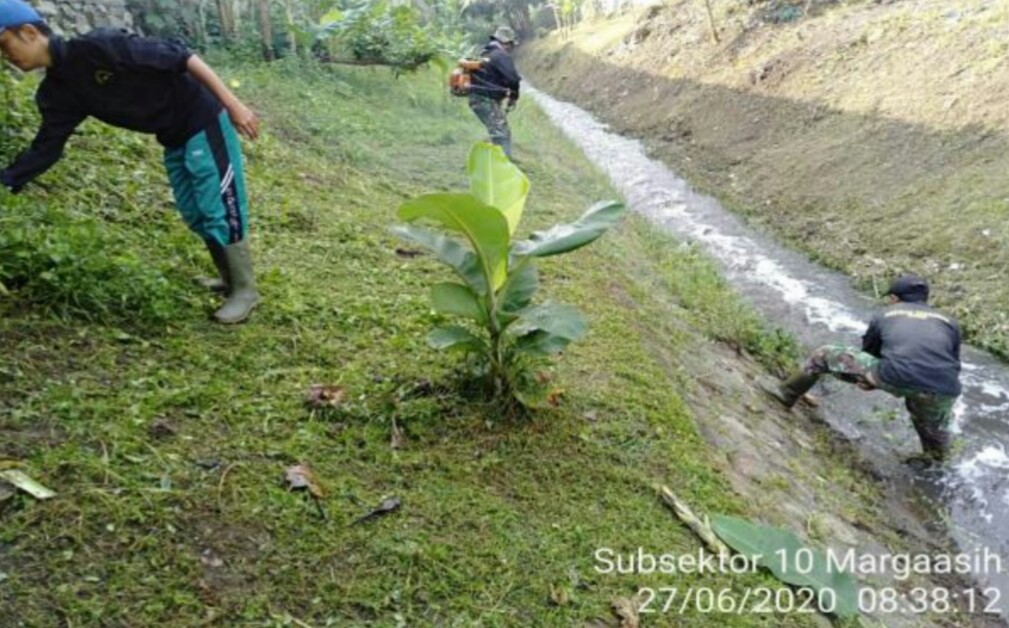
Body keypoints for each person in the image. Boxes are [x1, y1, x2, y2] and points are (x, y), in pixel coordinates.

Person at [0, 0, 260, 324]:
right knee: (195, 211)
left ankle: (246, 291)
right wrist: (8, 180)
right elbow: (47, 147)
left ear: (28, 32)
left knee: (218, 205)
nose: (5, 55)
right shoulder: (57, 92)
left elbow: (182, 57)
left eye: (4, 44)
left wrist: (234, 104)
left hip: (201, 117)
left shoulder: (99, 47)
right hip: (172, 134)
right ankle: (228, 279)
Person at [762, 275, 961, 463]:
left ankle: (786, 393)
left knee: (823, 355)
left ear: (893, 298)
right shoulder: (949, 322)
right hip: (943, 386)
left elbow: (869, 356)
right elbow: (952, 362)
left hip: (893, 374)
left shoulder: (885, 314)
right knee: (932, 428)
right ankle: (935, 463)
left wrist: (872, 380)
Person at [460, 26, 521, 159]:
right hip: (485, 99)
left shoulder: (483, 52)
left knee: (497, 130)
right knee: (501, 133)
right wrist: (514, 97)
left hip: (476, 99)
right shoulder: (501, 55)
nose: (511, 49)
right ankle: (503, 164)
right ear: (507, 42)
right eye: (511, 45)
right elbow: (513, 78)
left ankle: (498, 160)